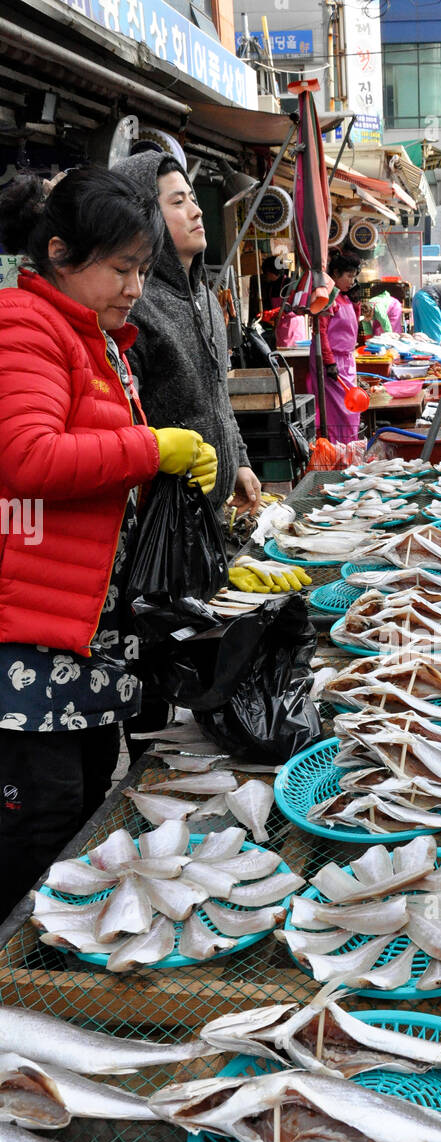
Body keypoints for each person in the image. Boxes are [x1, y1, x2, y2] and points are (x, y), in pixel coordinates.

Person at [0, 167, 216, 922]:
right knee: (43, 814)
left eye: (142, 271)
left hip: (86, 630)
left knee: (87, 794)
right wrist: (150, 448)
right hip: (31, 633)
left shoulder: (96, 337)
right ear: (60, 252)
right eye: (120, 269)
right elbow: (25, 456)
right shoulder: (25, 324)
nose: (133, 287)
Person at [115, 152, 261, 519]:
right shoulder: (132, 305)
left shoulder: (207, 298)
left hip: (210, 511)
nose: (196, 211)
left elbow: (219, 396)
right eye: (177, 202)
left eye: (193, 200)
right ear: (143, 215)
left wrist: (238, 461)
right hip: (162, 521)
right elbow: (126, 421)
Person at [317, 248, 362, 445]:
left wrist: (356, 298)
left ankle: (348, 449)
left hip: (347, 360)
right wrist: (329, 362)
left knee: (352, 409)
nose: (352, 281)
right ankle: (337, 451)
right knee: (339, 412)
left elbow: (354, 327)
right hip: (332, 360)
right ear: (335, 274)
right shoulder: (328, 298)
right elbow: (321, 332)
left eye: (354, 277)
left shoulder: (345, 297)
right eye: (349, 276)